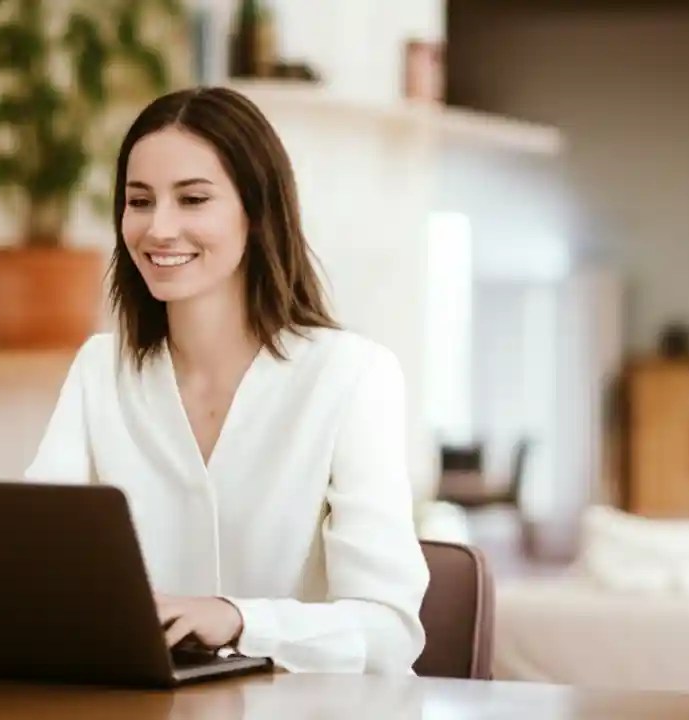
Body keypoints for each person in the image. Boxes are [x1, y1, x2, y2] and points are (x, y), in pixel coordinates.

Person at [25, 87, 429, 674]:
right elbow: (31, 564)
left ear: (256, 211)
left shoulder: (352, 375)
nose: (159, 228)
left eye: (192, 200)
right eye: (139, 201)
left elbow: (388, 631)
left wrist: (240, 619)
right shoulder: (99, 370)